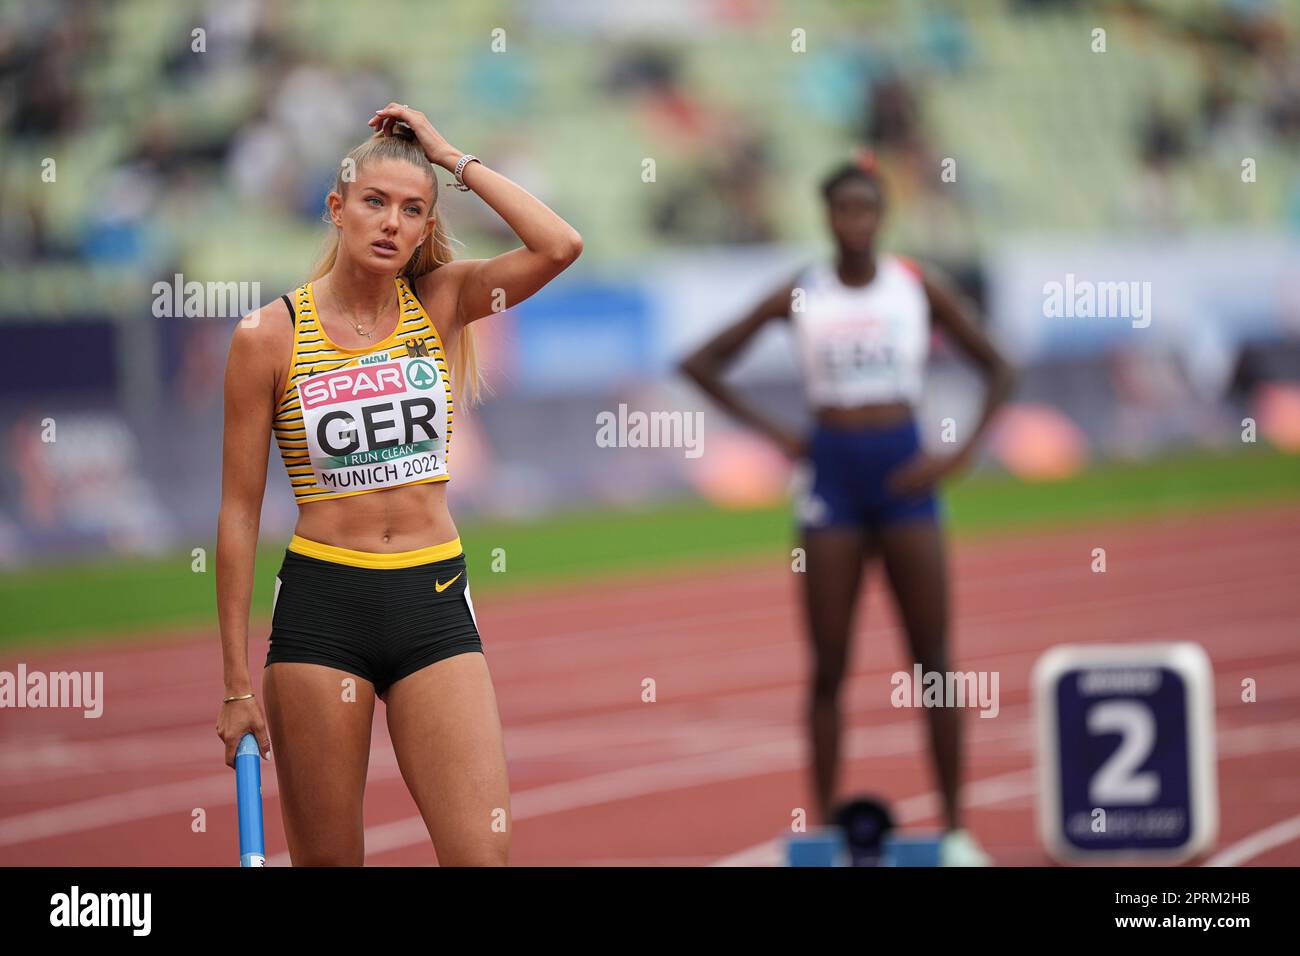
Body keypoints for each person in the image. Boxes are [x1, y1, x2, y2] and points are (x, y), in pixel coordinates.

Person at [215, 103, 582, 866]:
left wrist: (452, 157)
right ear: (337, 207)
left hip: (433, 602)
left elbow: (560, 244)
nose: (390, 223)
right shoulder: (268, 337)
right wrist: (234, 683)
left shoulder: (443, 301)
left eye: (412, 211)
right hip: (322, 610)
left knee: (483, 856)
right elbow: (238, 514)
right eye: (375, 202)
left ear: (424, 229)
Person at [680, 152, 1014, 866]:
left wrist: (958, 456)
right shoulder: (803, 293)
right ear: (826, 217)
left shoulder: (914, 287)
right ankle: (829, 834)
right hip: (831, 473)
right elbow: (701, 362)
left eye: (866, 209)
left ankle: (955, 832)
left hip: (904, 472)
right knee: (828, 665)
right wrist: (782, 436)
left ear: (882, 217)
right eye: (842, 210)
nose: (855, 221)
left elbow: (999, 366)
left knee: (934, 662)